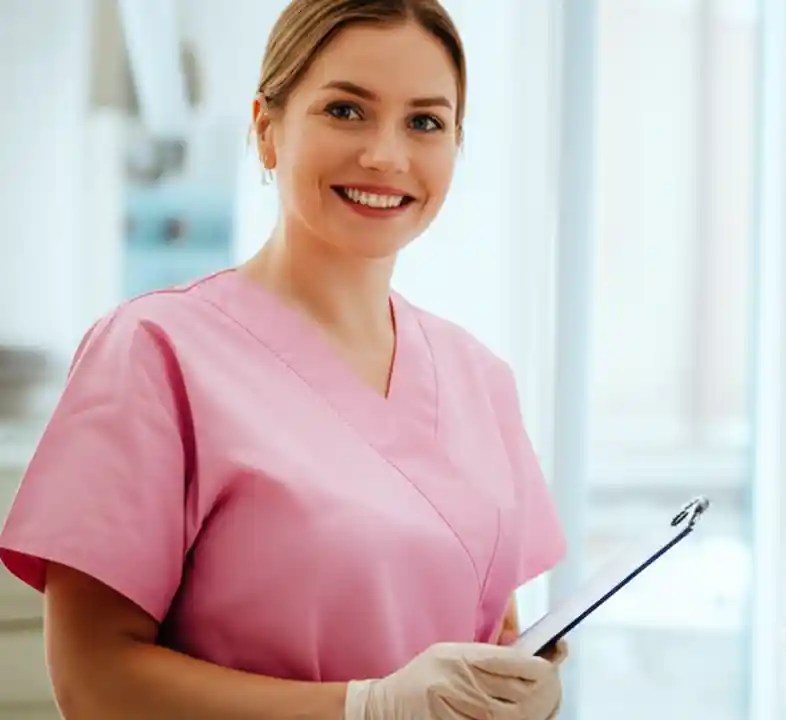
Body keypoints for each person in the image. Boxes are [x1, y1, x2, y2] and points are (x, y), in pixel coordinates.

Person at [0, 1, 567, 718]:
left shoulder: (479, 379)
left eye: (425, 121)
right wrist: (364, 708)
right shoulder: (155, 352)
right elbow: (93, 679)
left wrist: (516, 688)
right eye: (346, 110)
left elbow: (495, 632)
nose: (387, 156)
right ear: (267, 129)